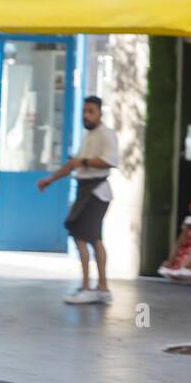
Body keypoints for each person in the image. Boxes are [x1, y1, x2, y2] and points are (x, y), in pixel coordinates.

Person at [37, 95, 120, 305]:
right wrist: (50, 180)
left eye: (91, 111)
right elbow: (73, 165)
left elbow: (109, 161)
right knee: (86, 237)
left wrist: (82, 161)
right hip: (85, 190)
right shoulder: (87, 136)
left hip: (97, 191)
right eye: (84, 111)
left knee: (89, 237)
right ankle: (96, 287)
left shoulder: (106, 135)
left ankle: (95, 287)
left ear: (100, 112)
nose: (86, 115)